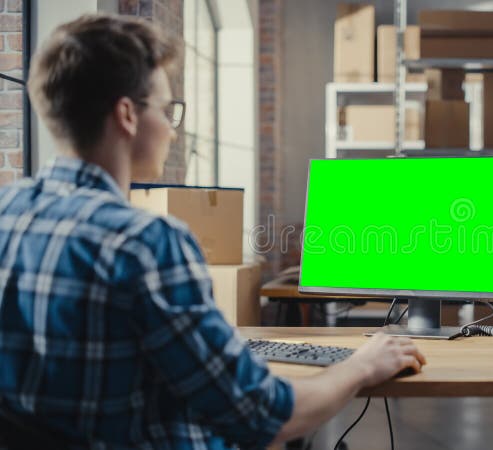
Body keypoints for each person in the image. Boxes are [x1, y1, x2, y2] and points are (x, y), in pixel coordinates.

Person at [0, 13, 426, 449]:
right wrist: (362, 365)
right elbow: (266, 415)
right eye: (167, 110)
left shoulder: (6, 214)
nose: (172, 131)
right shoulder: (146, 243)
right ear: (127, 115)